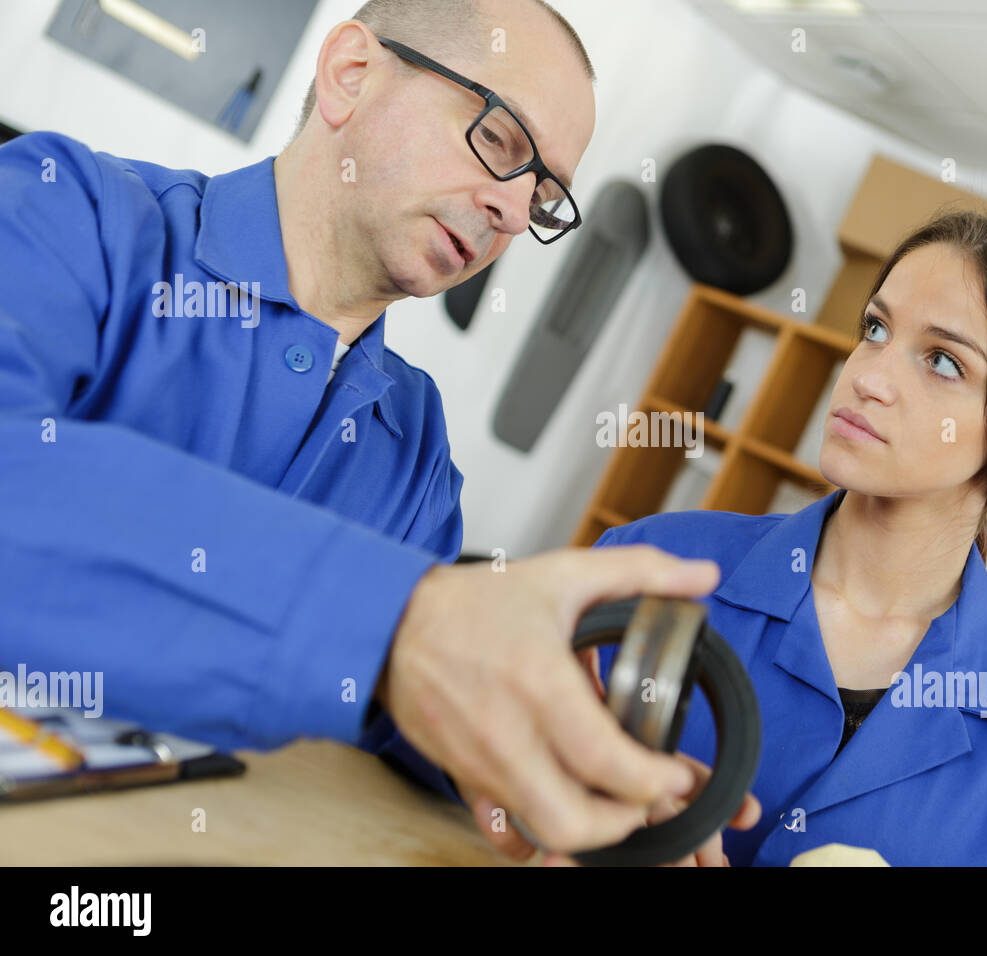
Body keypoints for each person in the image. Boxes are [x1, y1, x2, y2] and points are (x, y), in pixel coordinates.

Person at [0, 0, 751, 861]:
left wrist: (553, 760)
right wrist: (397, 620)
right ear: (351, 74)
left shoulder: (415, 448)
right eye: (501, 141)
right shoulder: (69, 213)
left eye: (542, 195)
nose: (512, 211)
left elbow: (394, 717)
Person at [572, 211, 987, 866]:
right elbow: (468, 764)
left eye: (942, 361)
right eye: (875, 329)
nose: (867, 377)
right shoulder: (655, 565)